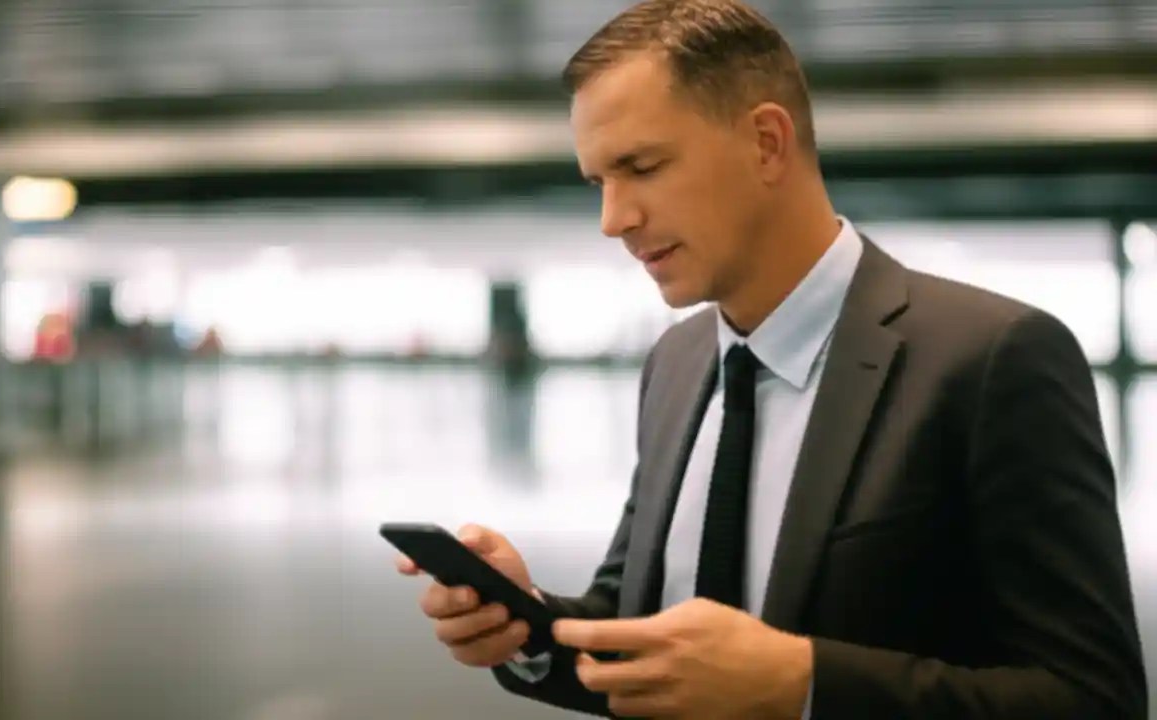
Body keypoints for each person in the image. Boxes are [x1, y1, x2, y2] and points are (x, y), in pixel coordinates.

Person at [394, 1, 1148, 717]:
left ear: (766, 142)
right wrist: (524, 626)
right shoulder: (678, 365)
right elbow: (642, 631)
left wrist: (804, 687)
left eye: (644, 167)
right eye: (599, 182)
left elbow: (1092, 698)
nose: (613, 219)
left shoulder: (990, 360)